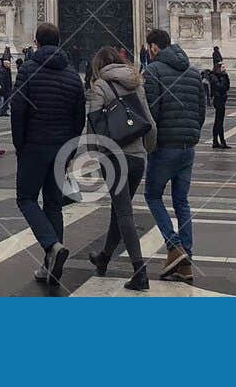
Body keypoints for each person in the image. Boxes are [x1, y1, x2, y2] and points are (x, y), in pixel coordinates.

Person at [10, 22, 85, 286]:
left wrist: (20, 144)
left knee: (26, 198)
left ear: (37, 42)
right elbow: (79, 117)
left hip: (34, 146)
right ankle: (50, 266)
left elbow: (17, 110)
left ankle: (52, 246)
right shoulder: (73, 75)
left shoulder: (28, 70)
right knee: (54, 204)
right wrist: (72, 149)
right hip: (61, 148)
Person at [84, 45, 153, 291]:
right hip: (137, 158)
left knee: (124, 212)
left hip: (114, 157)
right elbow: (149, 121)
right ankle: (104, 256)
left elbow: (94, 123)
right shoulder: (137, 83)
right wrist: (148, 149)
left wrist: (93, 153)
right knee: (119, 208)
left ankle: (139, 271)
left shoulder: (100, 86)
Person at [141, 28, 205, 283]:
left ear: (154, 48)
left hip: (165, 146)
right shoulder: (192, 72)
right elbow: (201, 111)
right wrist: (190, 136)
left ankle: (175, 246)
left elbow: (151, 112)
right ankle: (186, 256)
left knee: (153, 195)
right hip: (187, 146)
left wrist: (151, 143)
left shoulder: (153, 71)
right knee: (182, 201)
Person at [206, 57, 231, 148]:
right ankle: (219, 141)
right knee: (219, 121)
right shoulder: (215, 76)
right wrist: (224, 77)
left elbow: (227, 87)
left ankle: (217, 141)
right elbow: (220, 87)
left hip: (222, 99)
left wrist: (225, 76)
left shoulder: (221, 76)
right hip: (218, 99)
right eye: (222, 67)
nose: (224, 68)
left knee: (219, 121)